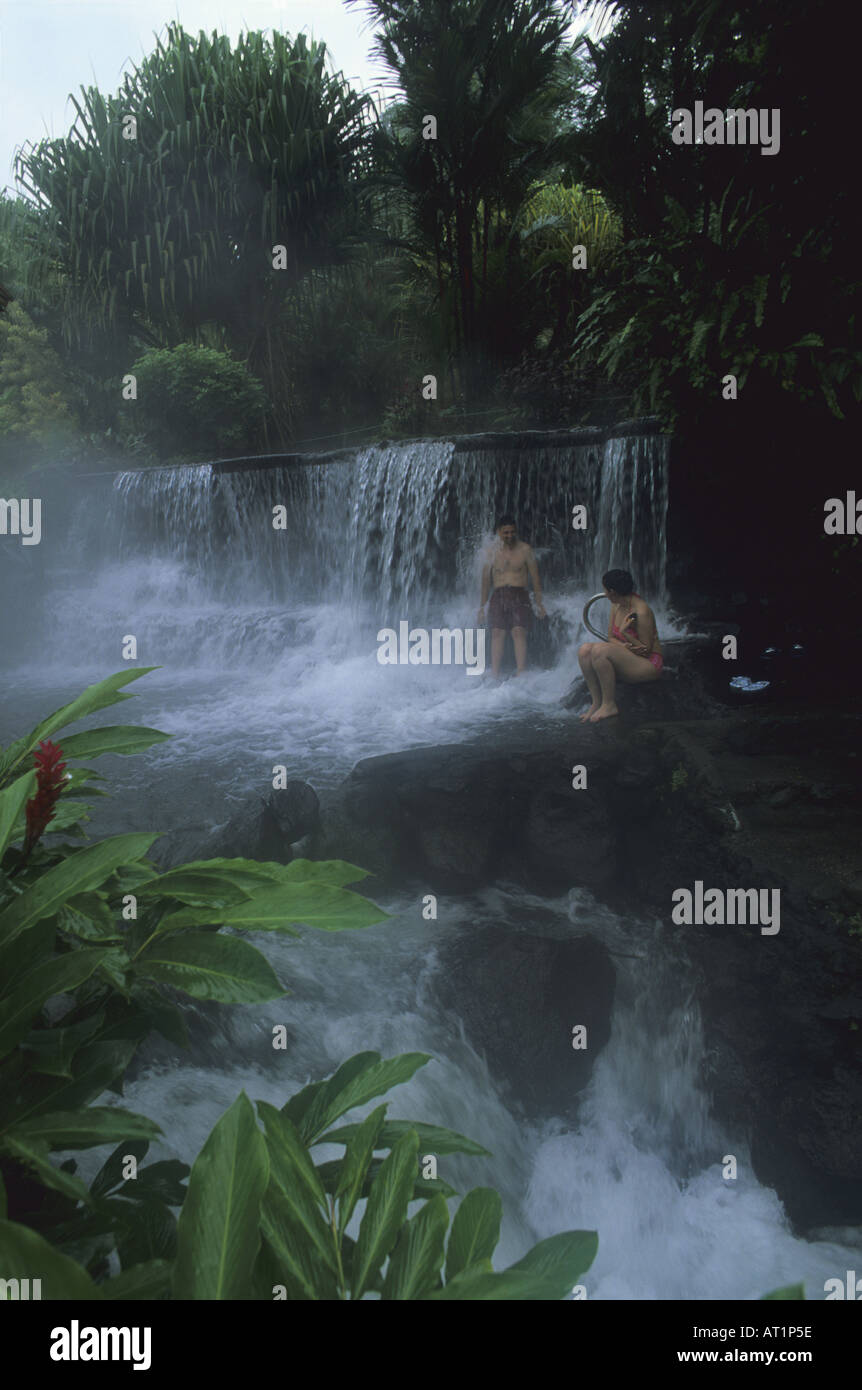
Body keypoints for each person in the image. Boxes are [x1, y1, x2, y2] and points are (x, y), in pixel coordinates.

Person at [577, 568, 663, 721]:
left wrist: (625, 633)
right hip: (629, 656)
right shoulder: (617, 604)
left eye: (605, 590)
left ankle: (609, 705)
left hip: (649, 663)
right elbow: (610, 638)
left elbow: (645, 650)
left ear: (612, 592)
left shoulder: (641, 611)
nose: (604, 593)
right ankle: (596, 703)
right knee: (584, 650)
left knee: (600, 651)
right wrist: (623, 647)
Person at [477, 516, 546, 676]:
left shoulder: (525, 550)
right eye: (506, 533)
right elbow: (486, 582)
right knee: (497, 632)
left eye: (512, 532)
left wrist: (539, 603)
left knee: (518, 631)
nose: (509, 536)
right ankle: (495, 674)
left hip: (519, 594)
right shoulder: (491, 552)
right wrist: (482, 608)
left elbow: (536, 578)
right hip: (498, 595)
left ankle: (521, 673)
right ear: (499, 532)